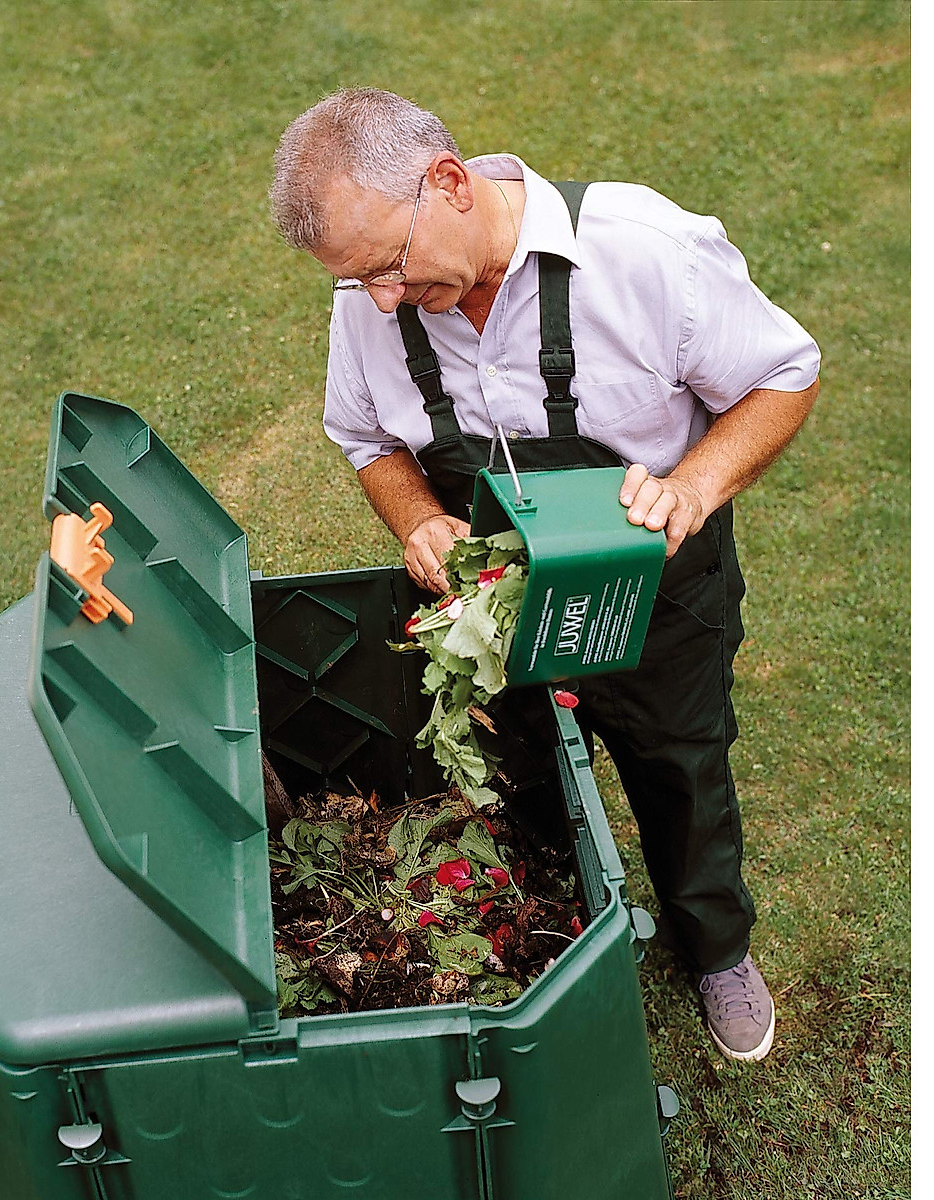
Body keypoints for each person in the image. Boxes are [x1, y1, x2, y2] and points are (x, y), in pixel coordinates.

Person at [269, 88, 820, 1063]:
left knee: (681, 771)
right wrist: (420, 517)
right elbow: (363, 437)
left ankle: (717, 948)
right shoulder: (371, 295)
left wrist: (696, 484)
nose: (382, 302)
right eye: (360, 284)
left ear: (449, 182)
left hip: (655, 597)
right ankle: (553, 941)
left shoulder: (644, 252)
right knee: (517, 779)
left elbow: (785, 374)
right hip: (493, 611)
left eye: (389, 268)